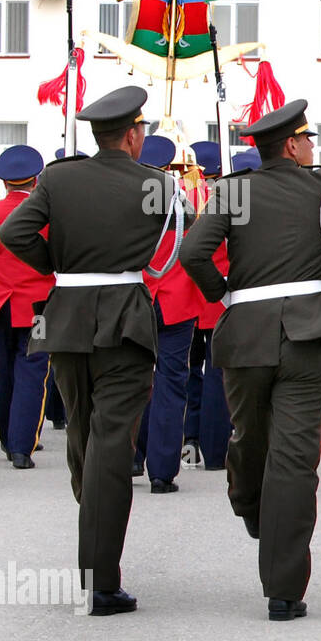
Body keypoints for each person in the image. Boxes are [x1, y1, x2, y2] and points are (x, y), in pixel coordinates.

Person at [0, 86, 178, 615]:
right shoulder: (158, 184)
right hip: (124, 317)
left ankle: (93, 513)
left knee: (83, 431)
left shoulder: (57, 177)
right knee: (110, 442)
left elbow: (13, 231)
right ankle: (101, 580)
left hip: (68, 316)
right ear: (132, 134)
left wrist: (57, 261)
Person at [180, 99, 321, 622]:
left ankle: (270, 551)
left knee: (254, 441)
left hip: (246, 333)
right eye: (309, 139)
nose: (314, 147)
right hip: (304, 333)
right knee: (292, 460)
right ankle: (276, 561)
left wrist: (227, 294)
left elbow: (192, 255)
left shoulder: (231, 192)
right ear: (295, 144)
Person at [131, 134, 202, 493]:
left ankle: (132, 456)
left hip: (136, 298)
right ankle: (161, 471)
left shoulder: (124, 196)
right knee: (171, 383)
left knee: (134, 380)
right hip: (175, 300)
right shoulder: (188, 196)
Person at [0, 145, 53, 469]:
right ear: (36, 180)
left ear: (4, 183)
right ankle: (21, 445)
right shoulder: (46, 213)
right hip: (38, 308)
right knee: (34, 371)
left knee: (5, 371)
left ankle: (6, 437)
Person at [180, 140, 232, 472]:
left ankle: (187, 440)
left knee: (185, 373)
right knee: (216, 374)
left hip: (183, 296)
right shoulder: (231, 199)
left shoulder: (174, 195)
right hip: (217, 296)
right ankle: (214, 450)